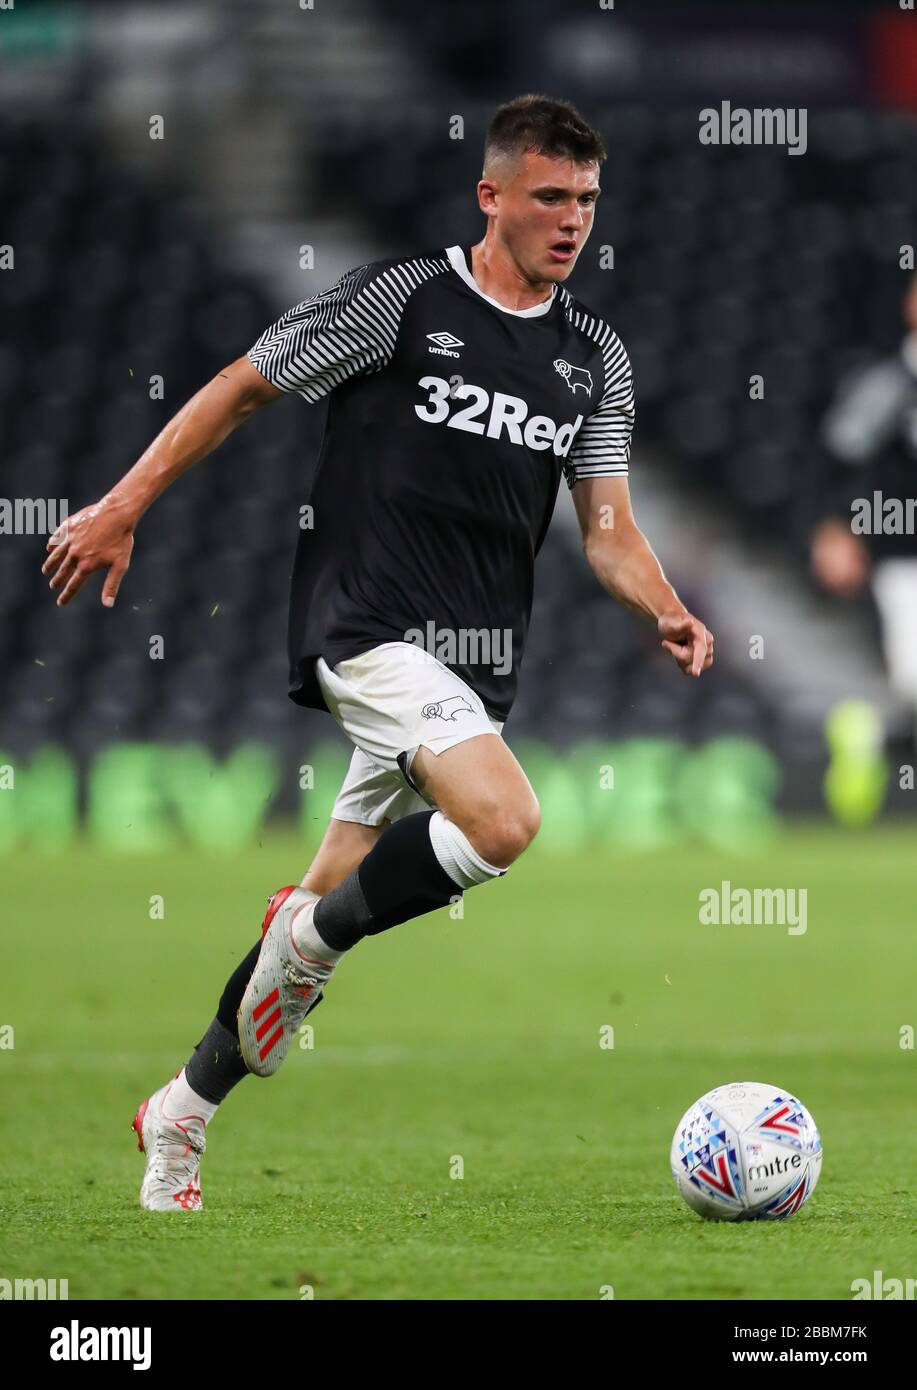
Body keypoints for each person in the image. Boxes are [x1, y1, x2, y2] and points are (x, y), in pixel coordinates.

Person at [43, 94, 713, 1211]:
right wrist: (122, 504)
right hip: (364, 629)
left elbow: (607, 529)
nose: (571, 220)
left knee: (308, 938)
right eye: (549, 196)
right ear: (490, 194)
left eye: (587, 201)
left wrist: (665, 604)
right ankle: (306, 935)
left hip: (469, 665)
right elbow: (241, 386)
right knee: (502, 822)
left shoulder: (594, 355)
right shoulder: (399, 299)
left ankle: (183, 1112)